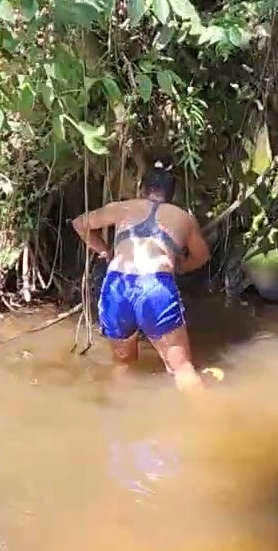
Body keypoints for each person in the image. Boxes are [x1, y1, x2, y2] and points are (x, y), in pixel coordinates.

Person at [71, 162, 211, 392]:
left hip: (116, 285)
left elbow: (80, 224)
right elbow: (202, 256)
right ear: (171, 194)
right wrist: (181, 268)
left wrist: (105, 250)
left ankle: (111, 418)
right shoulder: (182, 217)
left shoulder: (122, 208)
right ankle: (212, 423)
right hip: (155, 285)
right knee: (181, 369)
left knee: (122, 365)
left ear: (142, 189)